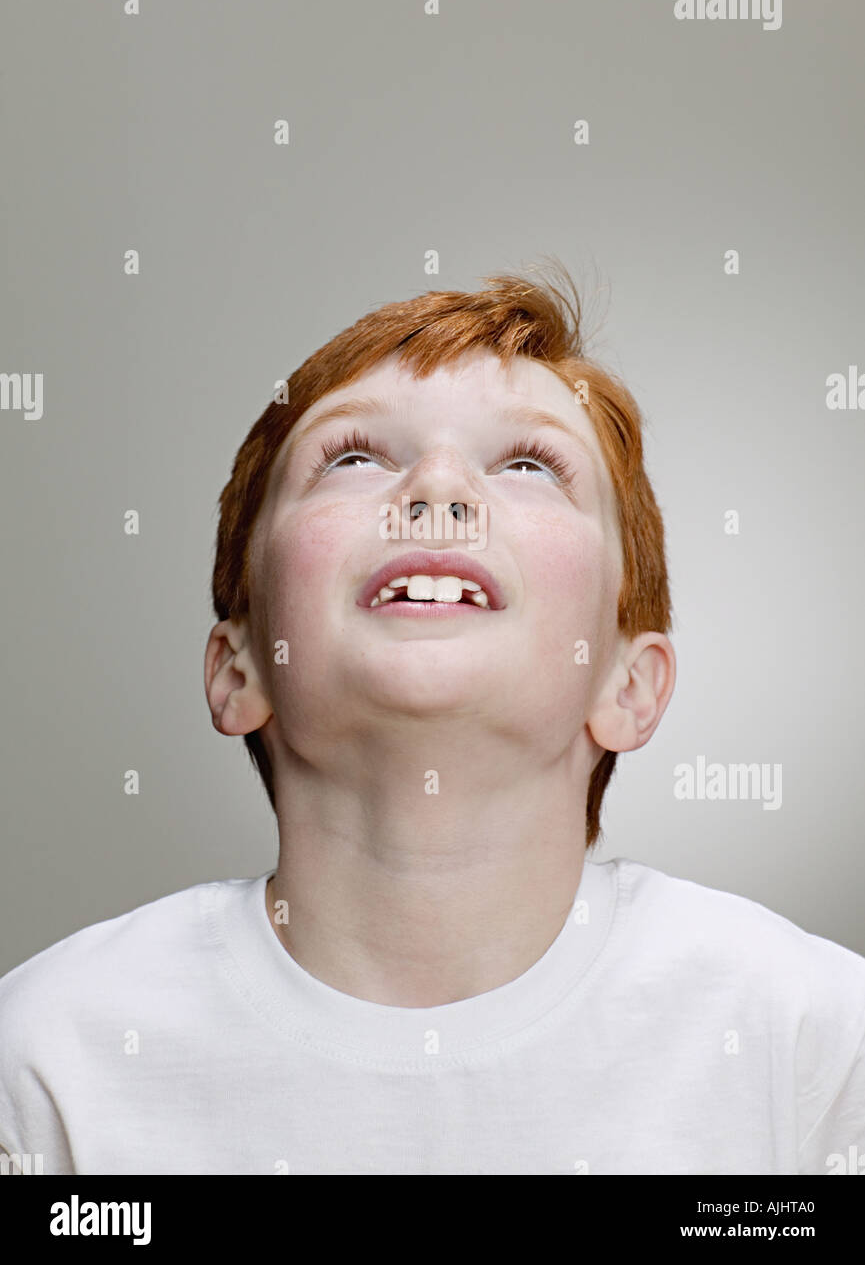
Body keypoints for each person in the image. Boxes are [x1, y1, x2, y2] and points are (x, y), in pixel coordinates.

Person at [1, 264, 863, 1175]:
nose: (439, 487)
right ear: (236, 667)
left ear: (628, 685)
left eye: (529, 465)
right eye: (353, 457)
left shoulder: (811, 1050)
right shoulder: (47, 1067)